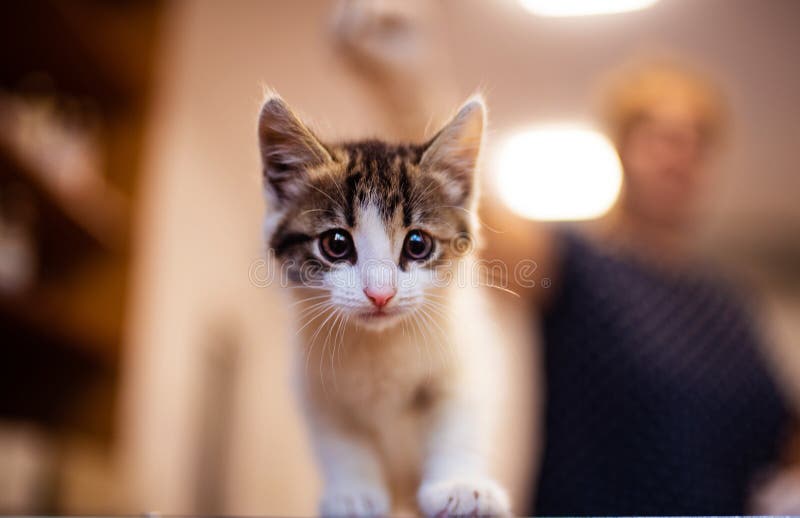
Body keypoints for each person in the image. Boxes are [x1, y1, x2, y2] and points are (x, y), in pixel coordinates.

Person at [483, 60, 793, 515]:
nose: (680, 157)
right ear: (622, 147)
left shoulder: (730, 303)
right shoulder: (574, 267)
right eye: (662, 138)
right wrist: (411, 93)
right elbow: (480, 233)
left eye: (698, 143)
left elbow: (779, 433)